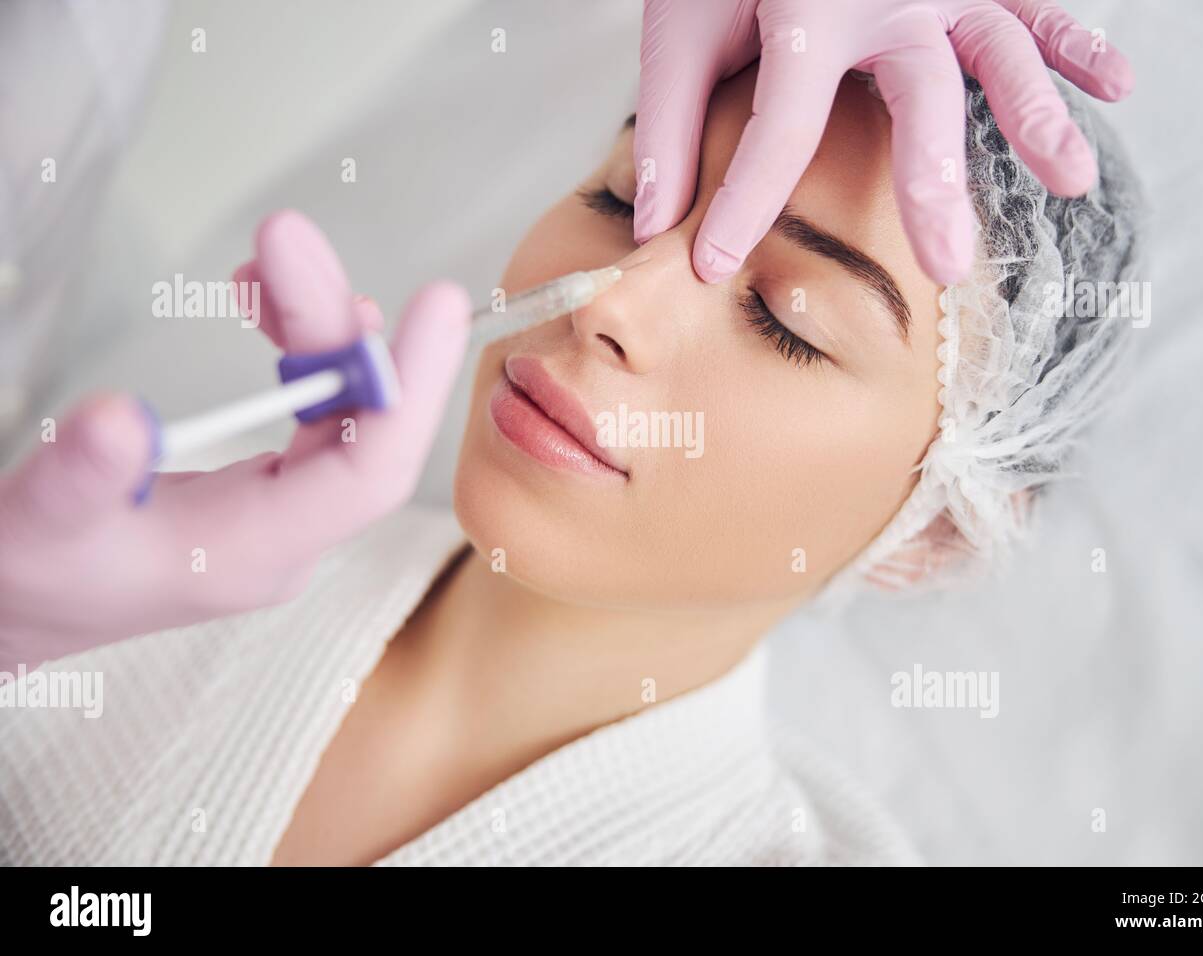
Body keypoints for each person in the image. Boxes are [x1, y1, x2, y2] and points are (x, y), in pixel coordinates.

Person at [0, 57, 1144, 865]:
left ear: (940, 529)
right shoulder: (135, 573)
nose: (608, 300)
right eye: (620, 196)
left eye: (789, 317)